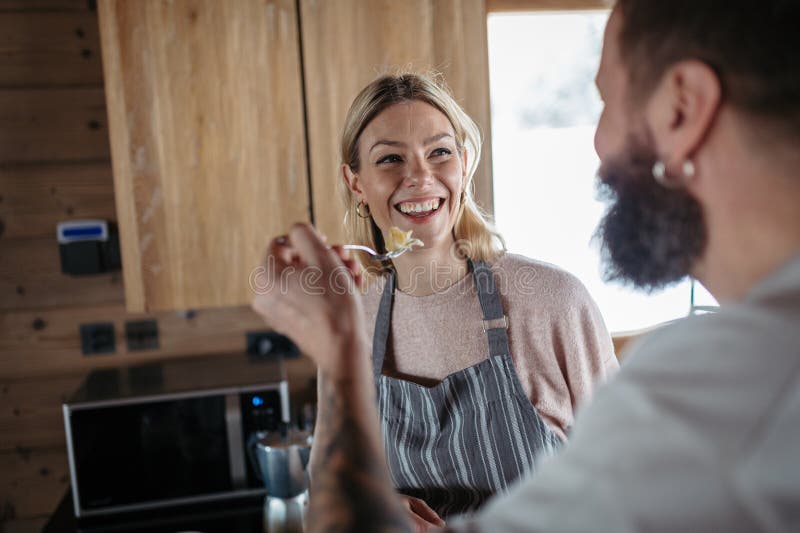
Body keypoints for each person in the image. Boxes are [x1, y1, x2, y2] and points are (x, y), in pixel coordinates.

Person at [251, 0, 800, 531]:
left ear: (684, 106)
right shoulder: (724, 369)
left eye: (607, 101)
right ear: (356, 182)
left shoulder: (706, 382)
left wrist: (336, 348)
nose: (599, 145)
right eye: (390, 158)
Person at [309, 72, 618, 525]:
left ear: (465, 162)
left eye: (439, 152)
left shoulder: (554, 303)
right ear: (356, 183)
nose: (419, 176)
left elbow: (627, 491)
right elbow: (323, 505)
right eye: (390, 158)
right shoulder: (348, 328)